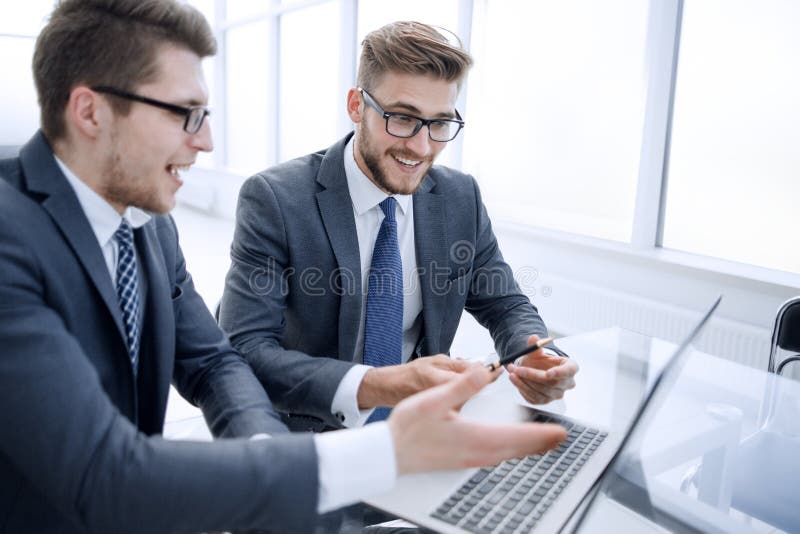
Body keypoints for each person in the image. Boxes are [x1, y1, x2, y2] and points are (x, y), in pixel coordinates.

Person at [0, 2, 568, 533]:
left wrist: (275, 471)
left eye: (206, 114)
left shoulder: (145, 221)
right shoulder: (10, 238)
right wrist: (375, 451)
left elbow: (212, 363)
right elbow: (107, 473)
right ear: (90, 111)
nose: (206, 140)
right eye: (185, 114)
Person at [219, 21, 580, 432]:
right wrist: (377, 385)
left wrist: (534, 353)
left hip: (418, 428)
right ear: (357, 105)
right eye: (403, 119)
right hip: (309, 433)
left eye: (440, 124)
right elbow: (243, 349)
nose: (422, 147)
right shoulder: (276, 199)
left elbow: (505, 304)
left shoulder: (460, 198)